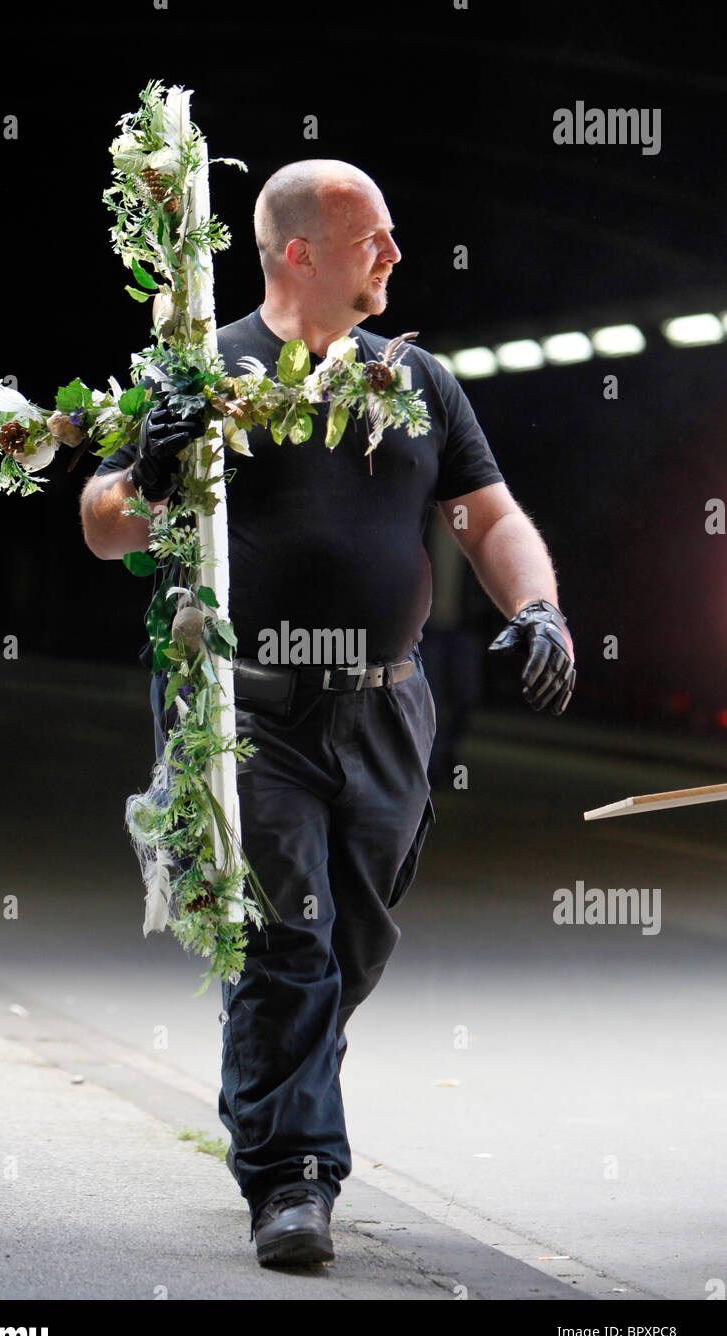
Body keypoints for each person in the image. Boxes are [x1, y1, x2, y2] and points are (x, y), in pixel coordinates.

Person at [79, 158, 575, 1269]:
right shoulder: (198, 371)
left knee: (349, 944)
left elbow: (489, 517)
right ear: (299, 252)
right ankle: (293, 1178)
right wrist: (149, 471)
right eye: (372, 239)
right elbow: (104, 525)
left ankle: (271, 1072)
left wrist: (539, 608)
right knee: (287, 944)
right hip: (251, 716)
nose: (394, 253)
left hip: (387, 711)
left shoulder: (416, 379)